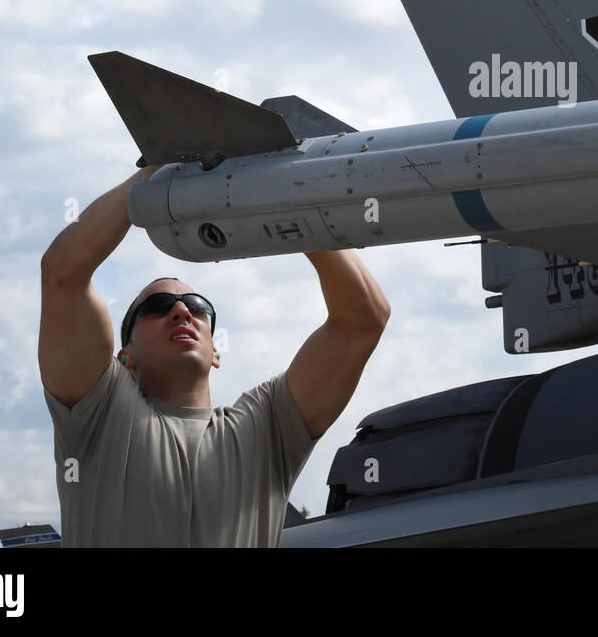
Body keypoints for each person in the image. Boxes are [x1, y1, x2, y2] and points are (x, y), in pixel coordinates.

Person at [38, 163, 390, 547]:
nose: (181, 311)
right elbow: (63, 274)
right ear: (125, 359)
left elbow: (364, 319)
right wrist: (155, 172)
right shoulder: (98, 414)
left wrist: (284, 194)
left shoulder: (268, 425)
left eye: (195, 304)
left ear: (215, 352)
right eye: (157, 306)